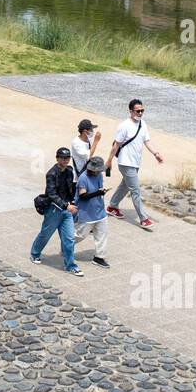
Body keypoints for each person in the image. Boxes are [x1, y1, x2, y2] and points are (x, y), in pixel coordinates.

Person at [105, 98, 163, 229]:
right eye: (138, 111)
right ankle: (144, 219)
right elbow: (116, 145)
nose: (140, 113)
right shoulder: (124, 126)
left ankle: (112, 206)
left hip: (135, 162)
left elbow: (146, 141)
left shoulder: (143, 124)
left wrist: (156, 154)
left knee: (124, 186)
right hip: (125, 162)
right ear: (131, 111)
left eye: (142, 110)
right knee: (135, 190)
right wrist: (109, 161)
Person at [30, 147, 83, 276]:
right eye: (63, 158)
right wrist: (66, 206)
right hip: (54, 210)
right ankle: (35, 253)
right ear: (57, 158)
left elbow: (72, 188)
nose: (65, 160)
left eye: (67, 158)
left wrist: (73, 202)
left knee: (69, 238)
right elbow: (51, 194)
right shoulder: (51, 174)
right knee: (45, 234)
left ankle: (71, 265)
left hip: (67, 210)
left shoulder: (69, 171)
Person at [76, 155, 110, 269]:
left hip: (99, 211)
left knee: (102, 234)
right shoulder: (83, 178)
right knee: (80, 235)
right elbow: (83, 196)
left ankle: (99, 257)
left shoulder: (99, 175)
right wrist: (97, 193)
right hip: (86, 212)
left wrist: (102, 192)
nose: (99, 172)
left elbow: (99, 189)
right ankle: (66, 244)